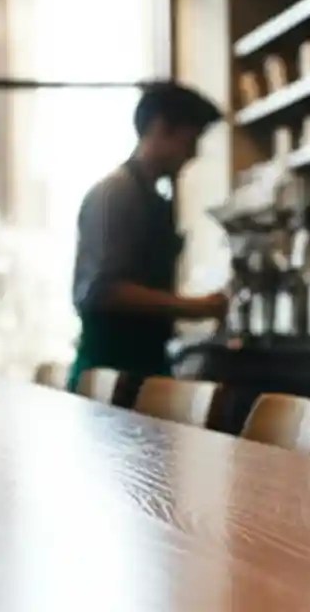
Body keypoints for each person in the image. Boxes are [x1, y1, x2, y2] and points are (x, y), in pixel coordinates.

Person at [69, 81, 229, 407]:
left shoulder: (153, 195)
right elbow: (103, 291)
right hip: (111, 369)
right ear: (159, 129)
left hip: (141, 369)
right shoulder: (117, 193)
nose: (194, 153)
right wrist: (195, 307)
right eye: (190, 139)